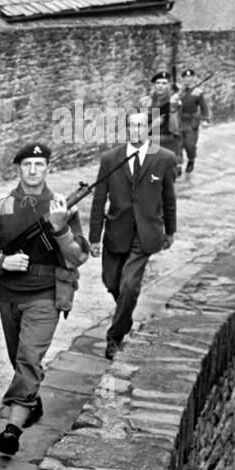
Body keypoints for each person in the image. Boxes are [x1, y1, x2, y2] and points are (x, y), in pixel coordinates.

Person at [0, 143, 90, 457]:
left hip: (46, 296)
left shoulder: (62, 206)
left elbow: (79, 256)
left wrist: (60, 230)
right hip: (8, 296)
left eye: (39, 165)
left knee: (28, 359)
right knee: (20, 359)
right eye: (27, 165)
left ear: (48, 169)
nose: (33, 171)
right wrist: (1, 261)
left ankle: (12, 429)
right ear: (18, 169)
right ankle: (30, 398)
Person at [88, 109, 177, 360]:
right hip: (116, 231)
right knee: (112, 283)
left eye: (141, 126)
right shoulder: (111, 159)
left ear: (148, 129)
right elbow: (98, 200)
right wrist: (95, 237)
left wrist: (170, 230)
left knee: (129, 285)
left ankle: (114, 337)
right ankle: (124, 316)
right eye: (131, 126)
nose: (136, 131)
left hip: (146, 234)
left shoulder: (163, 158)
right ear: (126, 129)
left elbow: (168, 198)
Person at [175, 68, 210, 174]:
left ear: (193, 78)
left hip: (191, 121)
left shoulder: (197, 92)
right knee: (178, 144)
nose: (188, 79)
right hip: (179, 120)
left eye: (190, 77)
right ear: (182, 79)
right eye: (186, 77)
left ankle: (191, 160)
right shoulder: (178, 91)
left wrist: (205, 119)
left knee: (189, 144)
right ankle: (178, 165)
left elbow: (204, 107)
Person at [141, 69, 179, 161]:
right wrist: (153, 124)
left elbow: (175, 128)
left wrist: (173, 109)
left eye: (164, 83)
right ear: (154, 85)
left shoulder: (175, 102)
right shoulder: (145, 102)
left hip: (167, 140)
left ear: (168, 85)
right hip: (149, 140)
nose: (160, 86)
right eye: (158, 83)